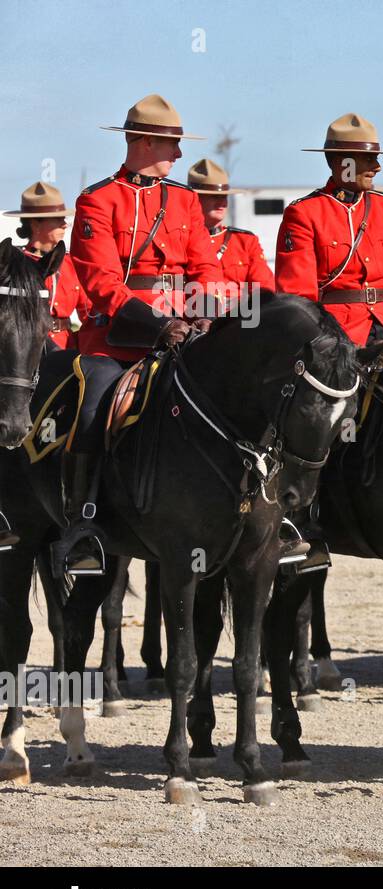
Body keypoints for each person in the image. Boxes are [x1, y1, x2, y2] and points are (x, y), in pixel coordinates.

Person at [60, 94, 225, 576]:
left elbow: (206, 268)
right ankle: (84, 523)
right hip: (118, 339)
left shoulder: (185, 199)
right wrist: (158, 325)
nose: (178, 155)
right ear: (145, 141)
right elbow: (102, 284)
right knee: (94, 405)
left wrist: (202, 314)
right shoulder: (97, 199)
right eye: (172, 144)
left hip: (186, 332)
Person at [276, 113, 383, 346]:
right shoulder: (305, 213)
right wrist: (327, 343)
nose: (377, 167)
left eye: (375, 157)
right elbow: (299, 297)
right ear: (342, 162)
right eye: (368, 158)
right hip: (338, 337)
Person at [3, 182, 91, 351]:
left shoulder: (72, 263)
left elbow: (89, 315)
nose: (65, 224)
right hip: (20, 349)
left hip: (64, 349)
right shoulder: (11, 264)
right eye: (58, 219)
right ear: (36, 224)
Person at [187, 158, 275, 292]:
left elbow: (265, 290)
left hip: (241, 312)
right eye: (214, 197)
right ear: (196, 198)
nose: (222, 203)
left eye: (225, 196)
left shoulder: (245, 242)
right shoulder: (181, 240)